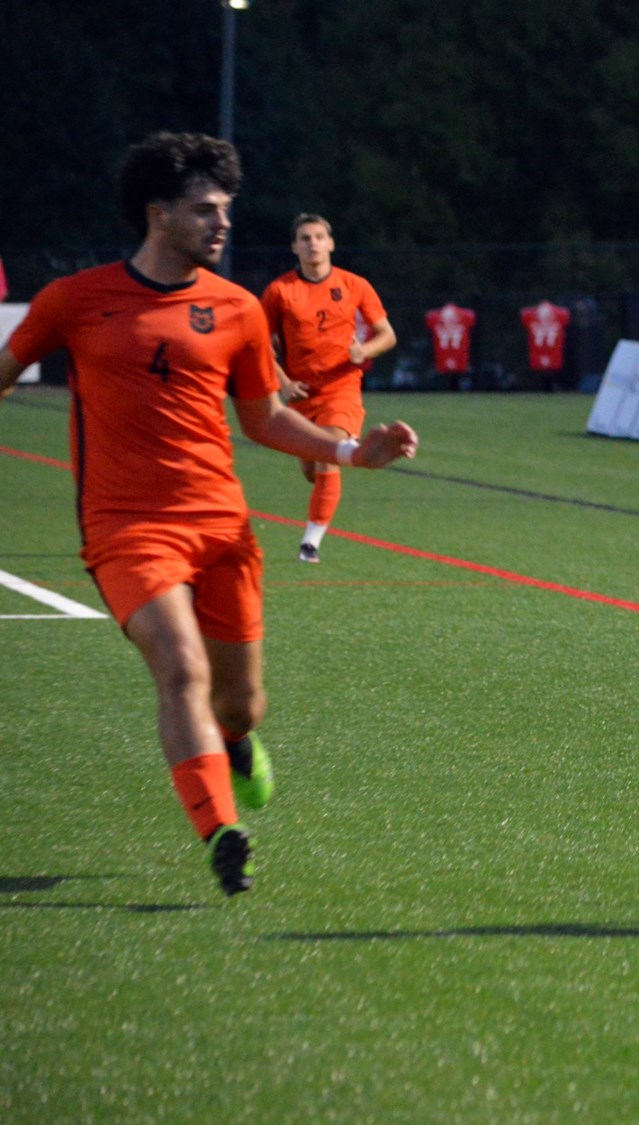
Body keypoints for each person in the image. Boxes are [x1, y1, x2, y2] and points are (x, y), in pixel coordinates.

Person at [0, 132, 419, 896]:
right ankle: (223, 832)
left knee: (239, 700)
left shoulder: (236, 309)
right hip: (126, 528)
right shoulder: (76, 300)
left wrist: (353, 452)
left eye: (226, 209)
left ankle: (234, 741)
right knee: (180, 667)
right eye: (206, 211)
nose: (223, 224)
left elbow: (262, 419)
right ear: (158, 215)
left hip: (224, 529)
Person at [261, 213, 397, 563]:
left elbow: (387, 335)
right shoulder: (280, 291)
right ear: (294, 247)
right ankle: (318, 485)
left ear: (331, 243)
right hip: (302, 394)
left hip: (342, 388)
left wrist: (362, 350)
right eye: (305, 238)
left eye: (319, 236)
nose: (312, 243)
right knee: (312, 466)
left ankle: (310, 544)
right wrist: (284, 383)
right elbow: (258, 345)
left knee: (327, 456)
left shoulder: (355, 285)